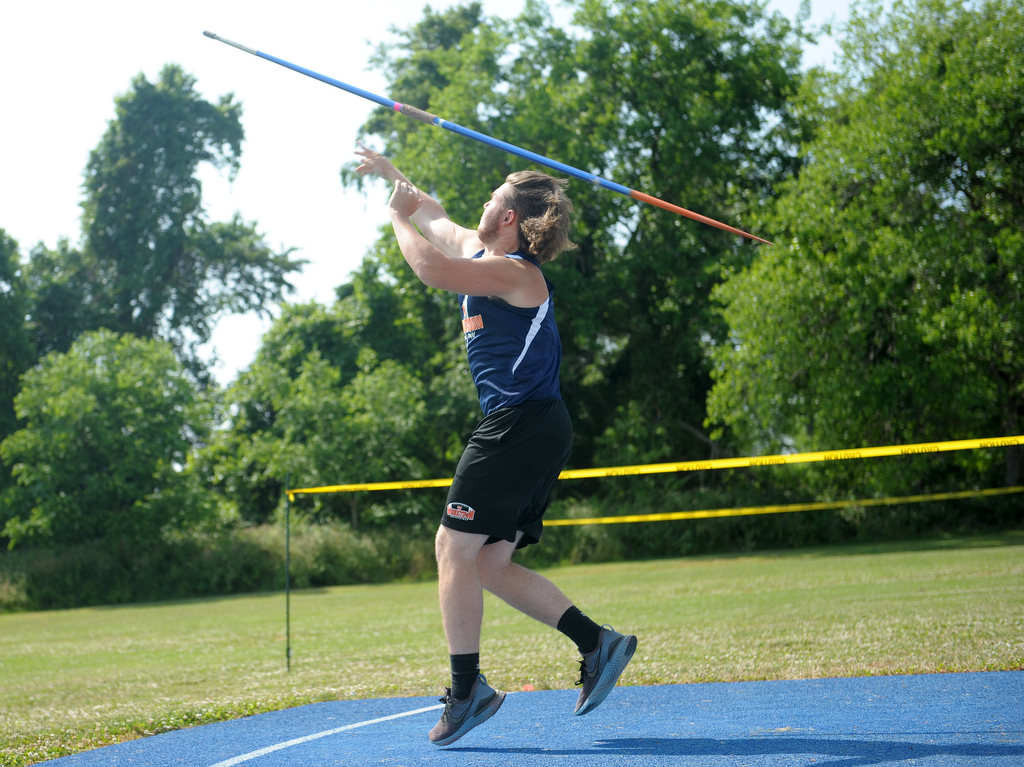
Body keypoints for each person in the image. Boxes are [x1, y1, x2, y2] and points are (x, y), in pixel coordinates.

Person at [355, 145, 637, 746]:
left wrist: (395, 217)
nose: (482, 204)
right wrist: (393, 177)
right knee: (487, 562)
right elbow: (434, 215)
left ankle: (467, 692)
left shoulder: (516, 274)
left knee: (451, 546)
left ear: (509, 217)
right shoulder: (484, 255)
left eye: (492, 198)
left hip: (519, 424)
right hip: (535, 426)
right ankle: (597, 643)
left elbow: (431, 267)